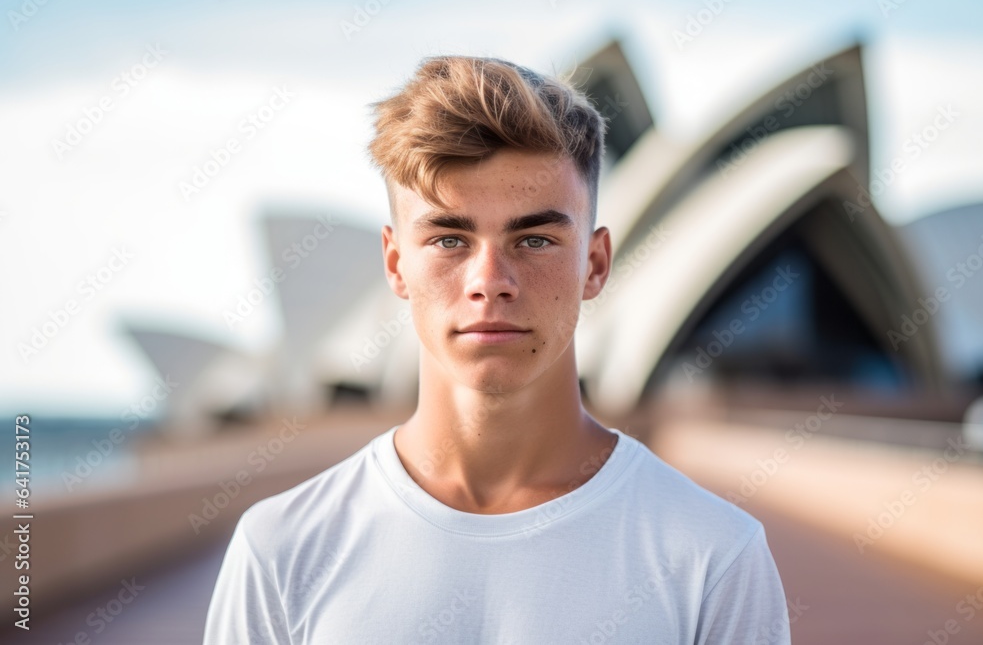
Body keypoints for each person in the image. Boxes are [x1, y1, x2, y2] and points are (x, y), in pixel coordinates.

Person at [203, 54, 791, 644]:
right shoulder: (280, 551)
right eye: (449, 238)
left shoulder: (715, 557)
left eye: (535, 238)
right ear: (395, 263)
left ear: (595, 263)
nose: (491, 279)